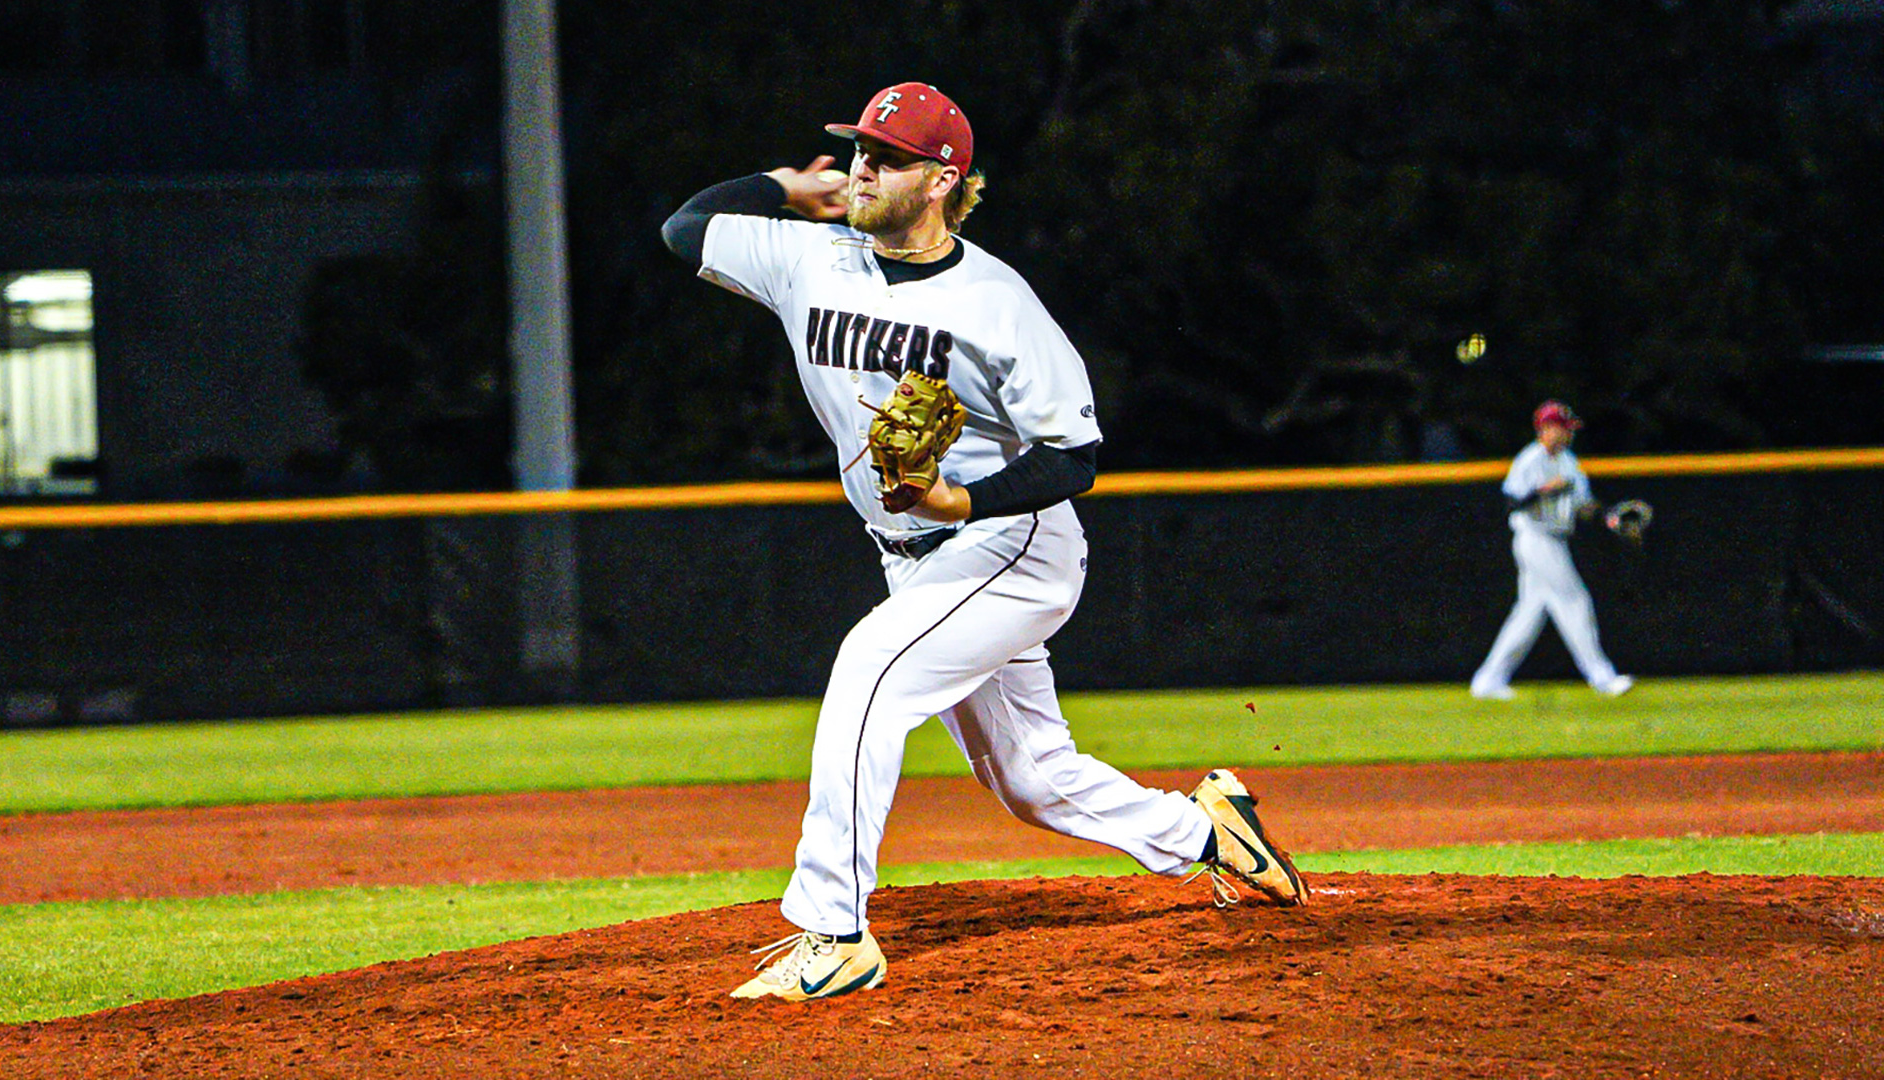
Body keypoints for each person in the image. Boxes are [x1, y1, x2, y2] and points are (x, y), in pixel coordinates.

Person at [661, 81, 1309, 1002]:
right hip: (911, 557)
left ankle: (834, 932)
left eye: (886, 158)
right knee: (1030, 780)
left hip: (1013, 545)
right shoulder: (811, 257)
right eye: (860, 150)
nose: (862, 168)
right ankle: (1207, 832)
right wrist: (783, 186)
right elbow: (686, 229)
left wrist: (961, 499)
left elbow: (1074, 454)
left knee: (868, 672)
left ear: (941, 181)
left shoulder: (997, 302)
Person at [1469, 400, 1635, 700]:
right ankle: (1602, 678)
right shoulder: (1530, 460)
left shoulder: (1569, 461)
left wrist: (1608, 517)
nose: (1569, 433)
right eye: (1564, 428)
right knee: (1575, 601)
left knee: (1528, 613)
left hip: (1555, 538)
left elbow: (1584, 505)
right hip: (1534, 538)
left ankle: (1487, 680)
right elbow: (1511, 503)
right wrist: (1544, 491)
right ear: (1546, 428)